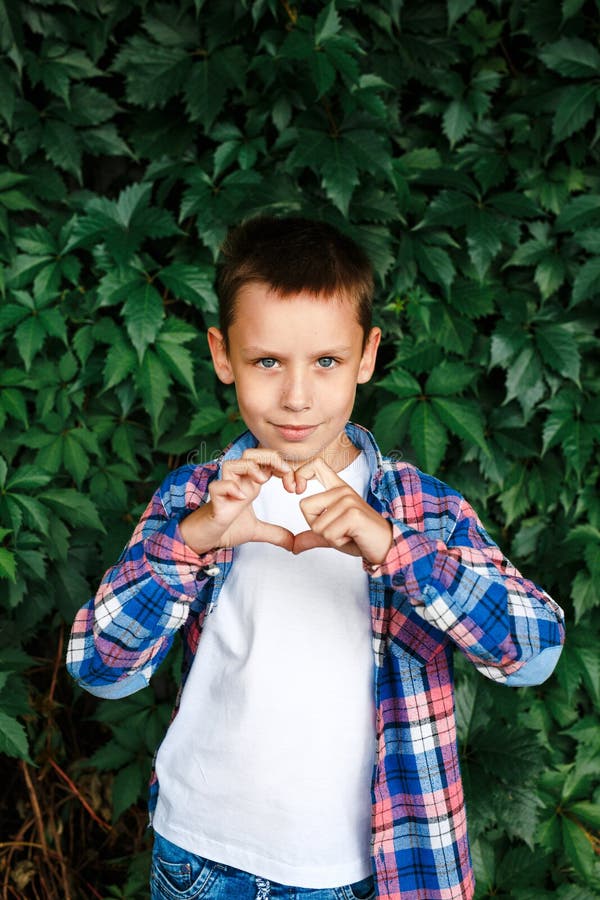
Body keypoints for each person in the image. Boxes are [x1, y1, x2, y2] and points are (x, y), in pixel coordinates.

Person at [67, 216, 565, 900]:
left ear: (367, 356)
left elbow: (534, 651)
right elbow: (101, 669)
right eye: (267, 361)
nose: (296, 396)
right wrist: (195, 539)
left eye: (326, 361)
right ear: (221, 355)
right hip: (205, 860)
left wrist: (396, 551)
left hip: (368, 871)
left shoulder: (424, 512)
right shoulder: (195, 499)